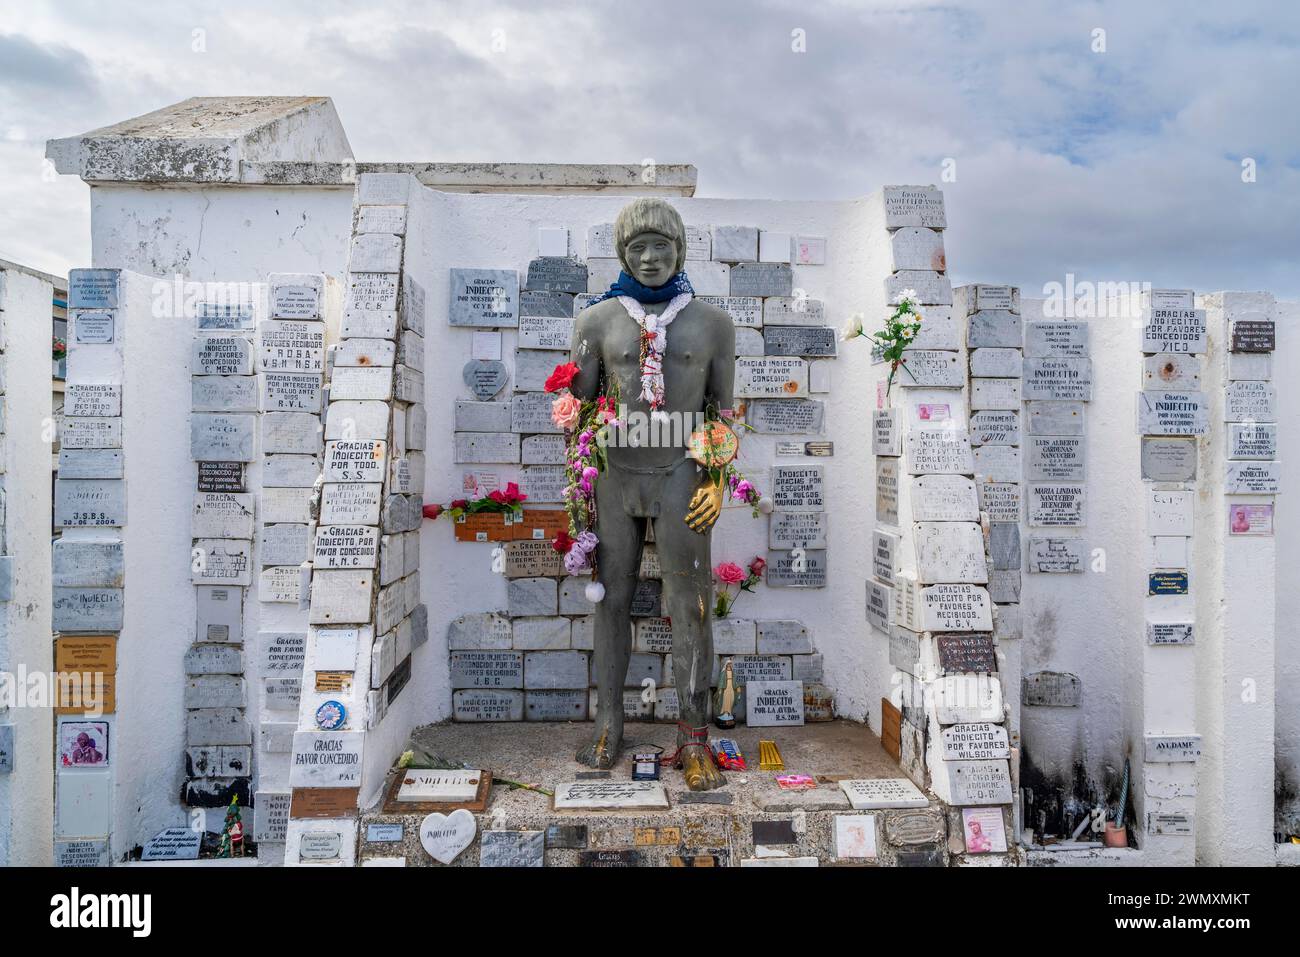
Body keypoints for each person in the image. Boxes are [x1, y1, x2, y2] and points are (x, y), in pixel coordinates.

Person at [569, 198, 735, 790]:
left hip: (683, 476)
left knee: (689, 602)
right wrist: (580, 488)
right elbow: (582, 411)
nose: (648, 258)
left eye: (659, 246)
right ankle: (609, 723)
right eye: (636, 247)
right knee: (611, 598)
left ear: (680, 250)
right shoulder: (593, 322)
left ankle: (694, 738)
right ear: (621, 255)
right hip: (616, 475)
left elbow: (724, 412)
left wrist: (717, 482)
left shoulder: (713, 323)